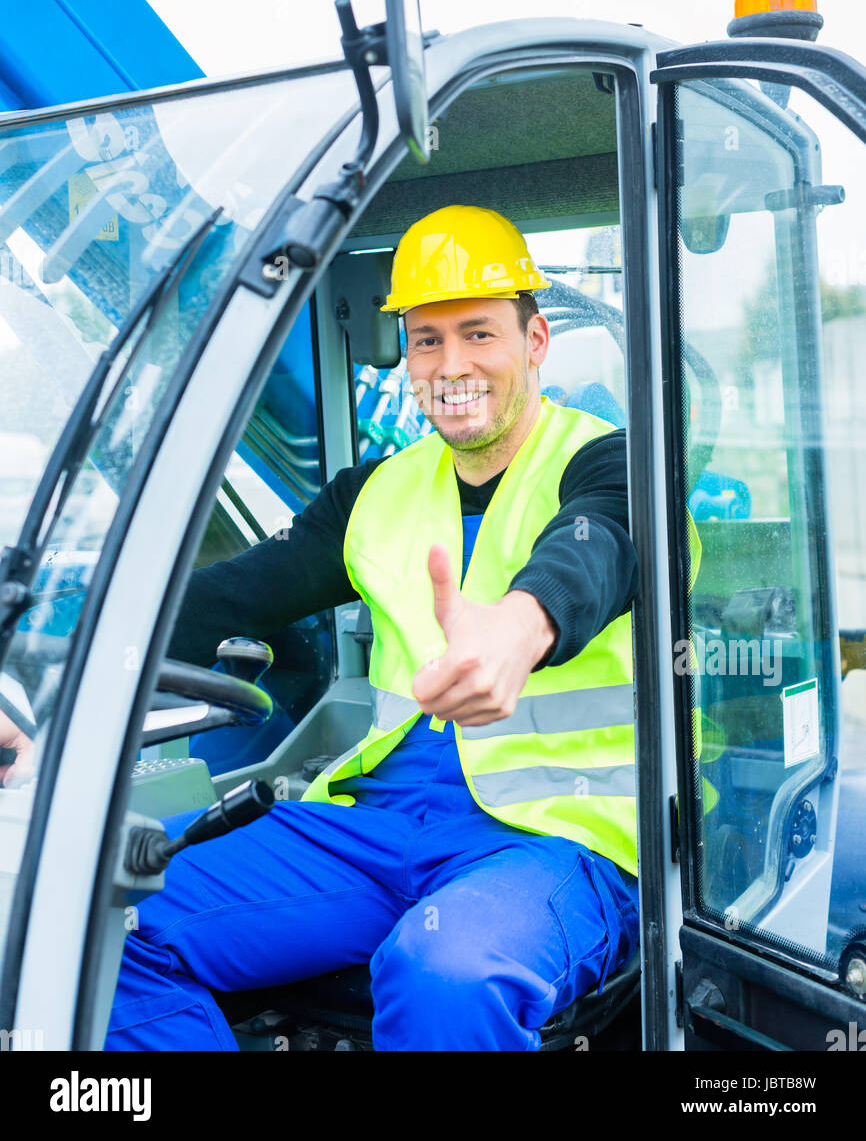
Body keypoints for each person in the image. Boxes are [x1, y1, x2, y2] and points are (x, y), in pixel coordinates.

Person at [104, 203, 641, 1051]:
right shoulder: (375, 492)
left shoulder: (615, 464)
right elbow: (221, 600)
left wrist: (522, 624)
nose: (451, 364)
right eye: (427, 339)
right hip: (375, 825)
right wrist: (42, 676)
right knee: (102, 920)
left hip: (555, 839)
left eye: (479, 333)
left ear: (536, 341)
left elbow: (596, 545)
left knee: (445, 973)